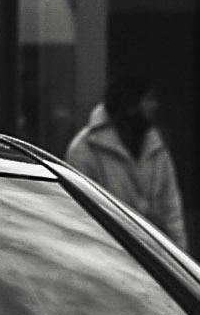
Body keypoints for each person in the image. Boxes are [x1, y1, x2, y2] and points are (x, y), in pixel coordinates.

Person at [65, 77, 187, 245]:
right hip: (109, 255)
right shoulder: (85, 149)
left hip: (154, 255)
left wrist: (180, 257)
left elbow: (171, 209)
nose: (155, 106)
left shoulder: (156, 146)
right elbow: (78, 217)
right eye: (149, 99)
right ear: (130, 106)